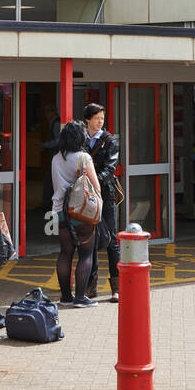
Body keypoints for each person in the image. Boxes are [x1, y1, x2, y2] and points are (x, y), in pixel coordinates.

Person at [51, 120, 101, 307]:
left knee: (65, 253)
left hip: (60, 211)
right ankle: (80, 297)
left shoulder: (56, 158)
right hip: (82, 212)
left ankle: (65, 297)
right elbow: (95, 187)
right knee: (86, 254)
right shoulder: (83, 158)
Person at [83, 103, 121, 302]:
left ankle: (116, 287)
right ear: (88, 119)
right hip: (85, 196)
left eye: (102, 118)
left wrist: (93, 182)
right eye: (97, 118)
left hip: (105, 195)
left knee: (112, 239)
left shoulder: (110, 141)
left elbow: (110, 168)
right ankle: (91, 287)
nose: (100, 121)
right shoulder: (81, 140)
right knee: (91, 239)